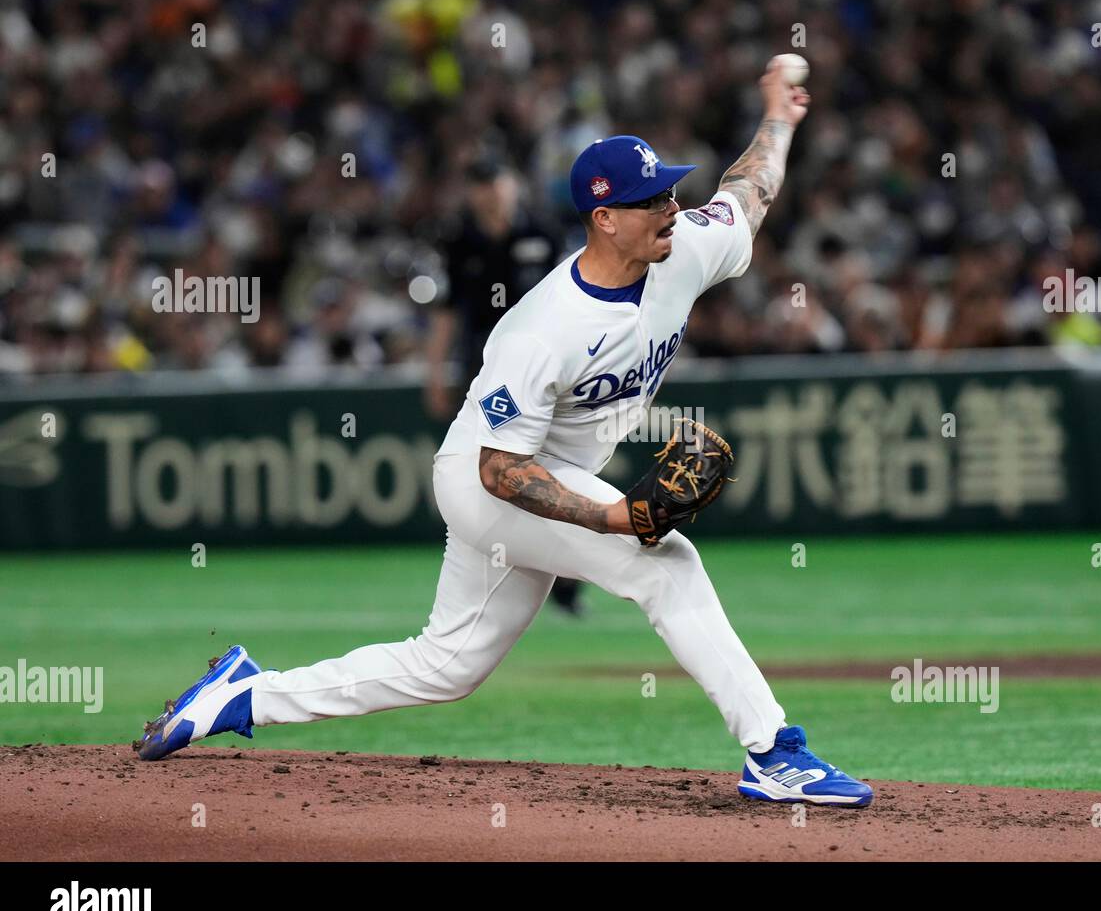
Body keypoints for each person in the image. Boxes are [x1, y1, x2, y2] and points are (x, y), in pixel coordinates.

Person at [135, 59, 874, 808]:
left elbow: (748, 194)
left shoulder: (684, 248)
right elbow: (498, 469)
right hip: (487, 478)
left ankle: (244, 696)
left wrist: (779, 116)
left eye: (671, 191)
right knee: (665, 562)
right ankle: (774, 752)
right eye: (651, 199)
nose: (672, 208)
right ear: (604, 218)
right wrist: (613, 517)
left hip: (537, 473)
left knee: (447, 665)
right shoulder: (544, 328)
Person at [424, 156, 586, 615]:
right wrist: (434, 372)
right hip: (482, 375)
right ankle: (490, 579)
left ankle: (567, 584)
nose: (489, 192)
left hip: (544, 376)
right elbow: (446, 312)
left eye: (494, 179)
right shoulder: (458, 239)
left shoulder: (542, 230)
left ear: (511, 182)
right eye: (479, 183)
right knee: (486, 475)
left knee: (556, 472)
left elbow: (574, 299)